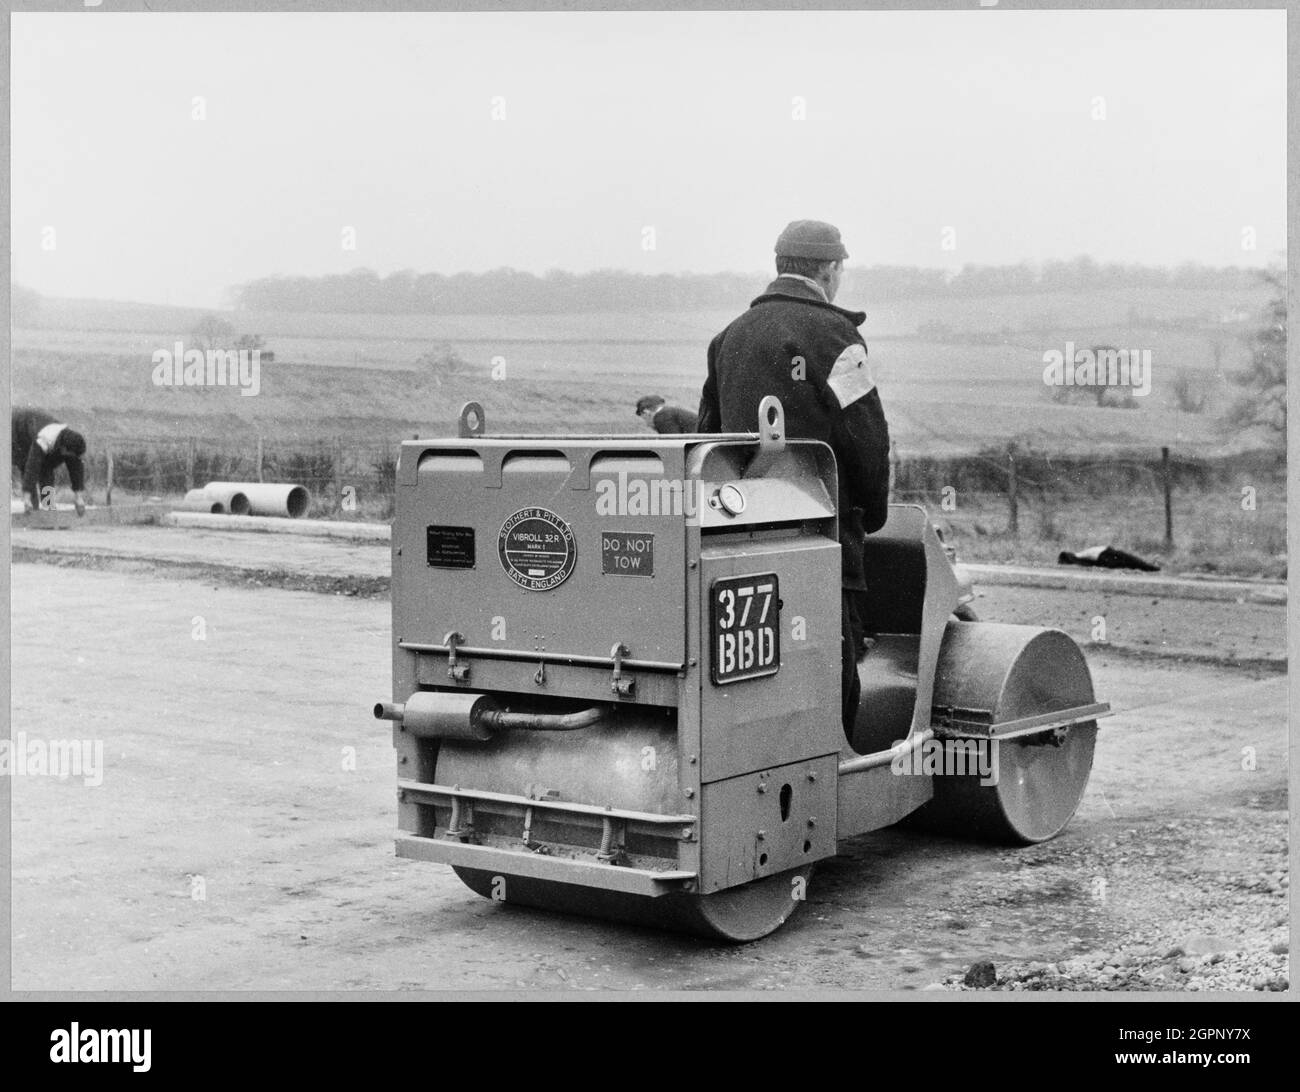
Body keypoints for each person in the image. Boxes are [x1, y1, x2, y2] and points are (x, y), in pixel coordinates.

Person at [697, 220, 891, 737]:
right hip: (823, 534)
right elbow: (867, 437)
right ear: (830, 269)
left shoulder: (729, 337)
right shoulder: (838, 337)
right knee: (832, 659)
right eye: (841, 269)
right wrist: (871, 513)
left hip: (740, 537)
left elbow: (706, 437)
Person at [11, 408, 89, 515]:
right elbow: (31, 469)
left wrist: (79, 498)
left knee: (47, 469)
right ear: (64, 450)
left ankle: (47, 507)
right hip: (18, 430)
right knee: (26, 464)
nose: (72, 459)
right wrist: (26, 498)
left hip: (37, 428)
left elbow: (76, 469)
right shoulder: (44, 440)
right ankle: (32, 507)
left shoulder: (72, 443)